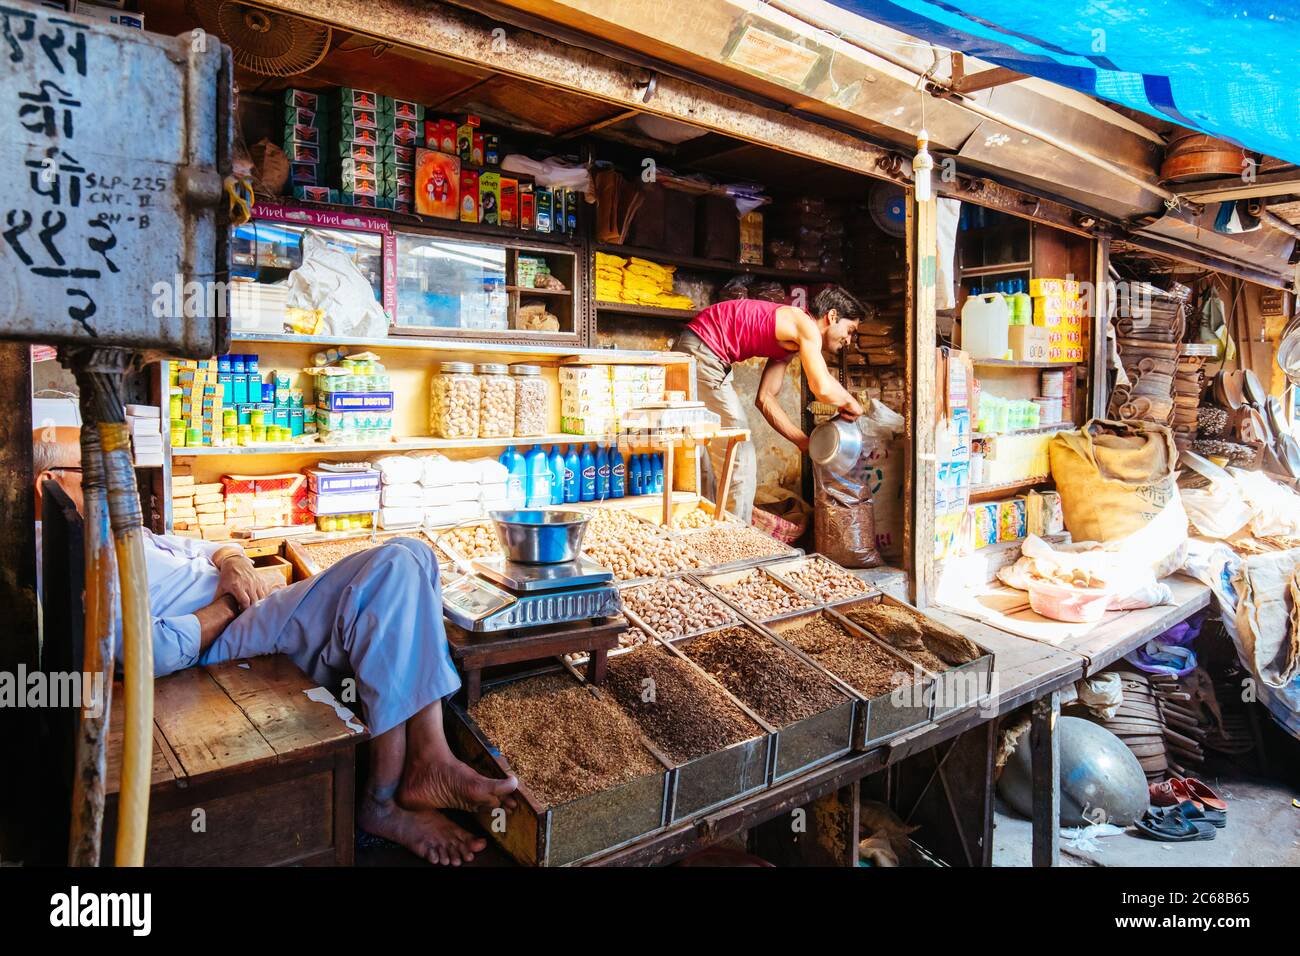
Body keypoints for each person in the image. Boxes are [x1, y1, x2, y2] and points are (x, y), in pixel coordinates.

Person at [36, 433, 516, 866]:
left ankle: (427, 759)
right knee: (392, 569)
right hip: (222, 642)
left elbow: (204, 546)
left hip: (246, 607)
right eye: (95, 474)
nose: (118, 486)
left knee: (416, 555)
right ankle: (383, 801)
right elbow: (151, 650)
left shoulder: (119, 530)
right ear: (49, 483)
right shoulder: (76, 556)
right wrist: (228, 602)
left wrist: (235, 561)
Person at [675, 287, 866, 522]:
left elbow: (765, 398)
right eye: (850, 330)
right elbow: (821, 386)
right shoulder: (805, 325)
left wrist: (803, 442)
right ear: (832, 316)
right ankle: (737, 542)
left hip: (696, 348)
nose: (848, 340)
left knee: (706, 454)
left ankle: (709, 529)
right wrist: (850, 402)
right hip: (704, 351)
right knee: (739, 453)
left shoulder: (791, 339)